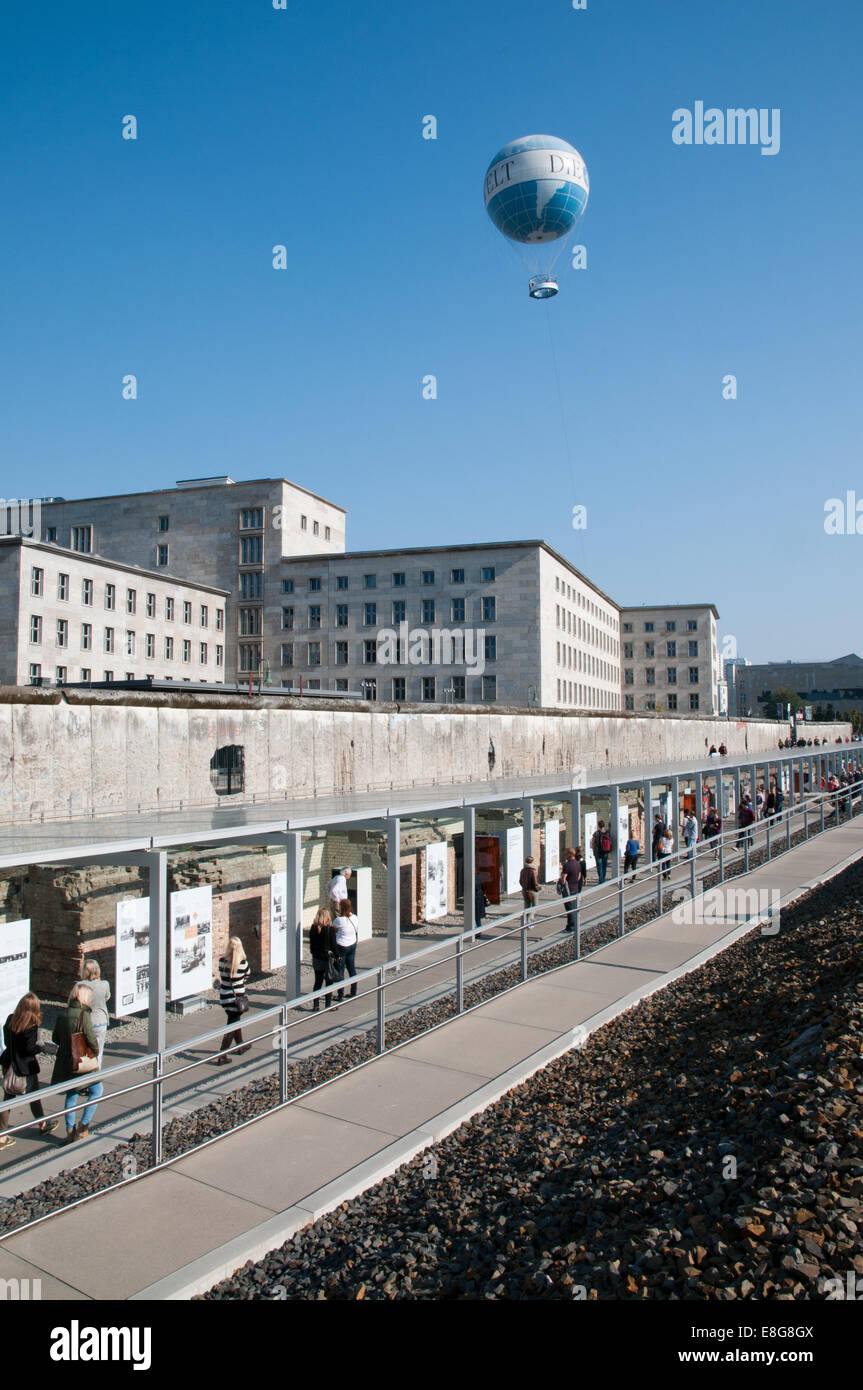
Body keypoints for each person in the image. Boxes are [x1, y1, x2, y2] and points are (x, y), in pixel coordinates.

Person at [0, 993, 58, 1147]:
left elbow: (6, 1041)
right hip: (25, 1068)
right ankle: (43, 1124)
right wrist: (40, 1047)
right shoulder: (31, 1026)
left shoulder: (10, 1019)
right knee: (34, 1096)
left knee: (8, 1098)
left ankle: (2, 1135)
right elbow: (29, 1049)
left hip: (9, 1063)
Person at [51, 983, 102, 1143]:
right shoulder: (83, 1016)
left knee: (71, 1095)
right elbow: (92, 1040)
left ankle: (70, 1130)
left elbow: (55, 1039)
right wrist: (94, 1053)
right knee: (97, 1090)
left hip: (66, 1063)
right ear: (85, 998)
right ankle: (83, 1126)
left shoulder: (63, 1015)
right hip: (82, 1062)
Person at [213, 936, 251, 1065]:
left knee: (234, 1021)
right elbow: (247, 975)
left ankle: (240, 1046)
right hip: (237, 999)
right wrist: (239, 983)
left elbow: (222, 976)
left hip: (225, 997)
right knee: (232, 1025)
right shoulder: (243, 963)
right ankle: (222, 1055)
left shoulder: (222, 962)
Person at [81, 960, 110, 1063]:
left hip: (86, 1021)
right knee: (99, 1052)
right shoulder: (104, 984)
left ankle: (85, 1075)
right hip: (101, 1020)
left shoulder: (80, 985)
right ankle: (97, 1077)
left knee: (85, 1052)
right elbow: (107, 997)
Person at [308, 908, 338, 1010]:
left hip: (317, 958)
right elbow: (334, 946)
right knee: (329, 982)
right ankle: (328, 1005)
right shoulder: (330, 929)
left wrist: (315, 953)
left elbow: (312, 945)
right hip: (327, 959)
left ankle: (316, 1005)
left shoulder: (313, 928)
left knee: (318, 982)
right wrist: (337, 956)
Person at [333, 898, 360, 999]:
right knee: (351, 969)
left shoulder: (339, 920)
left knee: (340, 971)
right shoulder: (355, 918)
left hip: (341, 946)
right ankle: (353, 991)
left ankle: (340, 994)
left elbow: (333, 929)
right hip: (352, 945)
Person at [558, 847, 586, 931]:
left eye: (566, 854)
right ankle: (574, 925)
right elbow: (579, 876)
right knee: (574, 906)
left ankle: (571, 927)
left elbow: (563, 878)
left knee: (569, 908)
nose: (565, 855)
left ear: (570, 854)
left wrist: (562, 885)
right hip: (575, 887)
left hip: (568, 889)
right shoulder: (577, 864)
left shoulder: (567, 865)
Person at [519, 856, 540, 924]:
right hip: (532, 890)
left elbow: (520, 881)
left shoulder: (522, 870)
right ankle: (529, 919)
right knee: (535, 906)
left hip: (525, 890)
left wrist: (524, 887)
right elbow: (535, 882)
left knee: (527, 905)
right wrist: (537, 888)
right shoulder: (533, 870)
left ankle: (525, 919)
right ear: (532, 862)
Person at [474, 874, 491, 940]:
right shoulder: (478, 877)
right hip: (478, 898)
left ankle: (477, 932)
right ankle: (478, 932)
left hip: (475, 899)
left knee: (476, 918)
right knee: (477, 918)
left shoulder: (474, 877)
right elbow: (484, 887)